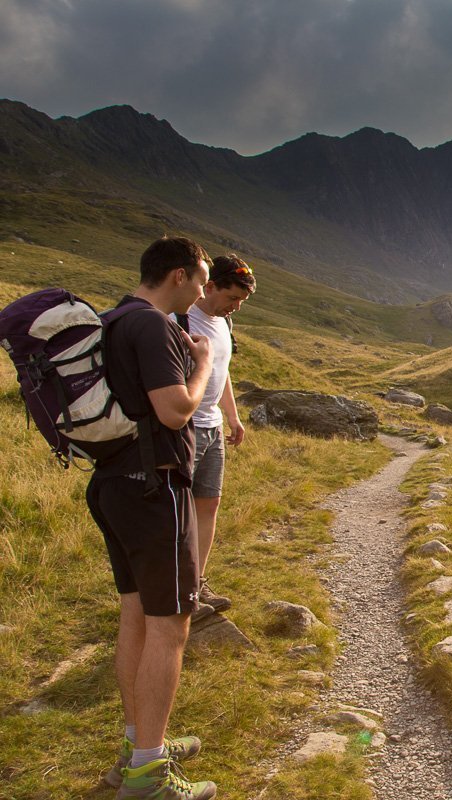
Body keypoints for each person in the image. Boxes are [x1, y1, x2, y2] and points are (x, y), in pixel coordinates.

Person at [87, 236, 218, 799]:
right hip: (154, 487)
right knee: (170, 625)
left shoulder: (114, 319)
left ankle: (139, 743)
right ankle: (148, 774)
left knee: (136, 614)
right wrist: (202, 364)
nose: (202, 293)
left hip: (113, 483)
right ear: (178, 275)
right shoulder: (154, 325)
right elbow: (175, 409)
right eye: (200, 280)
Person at [186, 255, 256, 615]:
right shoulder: (182, 318)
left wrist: (232, 416)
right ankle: (177, 590)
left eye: (241, 301)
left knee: (208, 504)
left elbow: (221, 371)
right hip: (184, 427)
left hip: (212, 426)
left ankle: (196, 584)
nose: (236, 307)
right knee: (178, 511)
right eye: (232, 298)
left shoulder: (224, 323)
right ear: (210, 286)